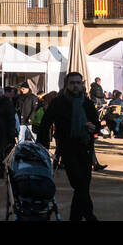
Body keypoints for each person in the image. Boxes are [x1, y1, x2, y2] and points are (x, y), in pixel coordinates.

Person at [35, 71, 100, 221]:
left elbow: (96, 123)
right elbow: (45, 124)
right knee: (79, 184)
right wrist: (43, 147)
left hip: (85, 148)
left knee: (82, 186)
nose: (76, 86)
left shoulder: (87, 102)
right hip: (68, 149)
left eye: (78, 82)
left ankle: (75, 218)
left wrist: (93, 127)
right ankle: (90, 216)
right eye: (72, 83)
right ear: (67, 85)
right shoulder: (59, 103)